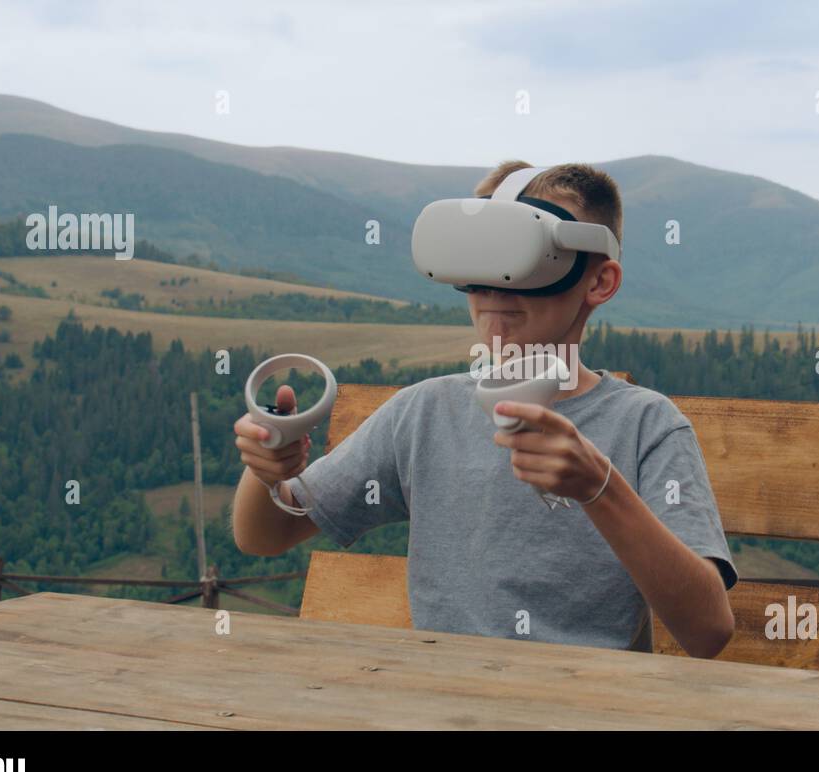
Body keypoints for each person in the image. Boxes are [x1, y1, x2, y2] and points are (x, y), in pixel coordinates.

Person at [231, 161, 737, 658]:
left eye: (524, 261)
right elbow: (264, 534)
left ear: (599, 282)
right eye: (477, 262)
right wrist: (270, 467)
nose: (494, 289)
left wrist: (599, 488)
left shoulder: (646, 426)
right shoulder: (425, 413)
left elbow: (707, 630)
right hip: (447, 703)